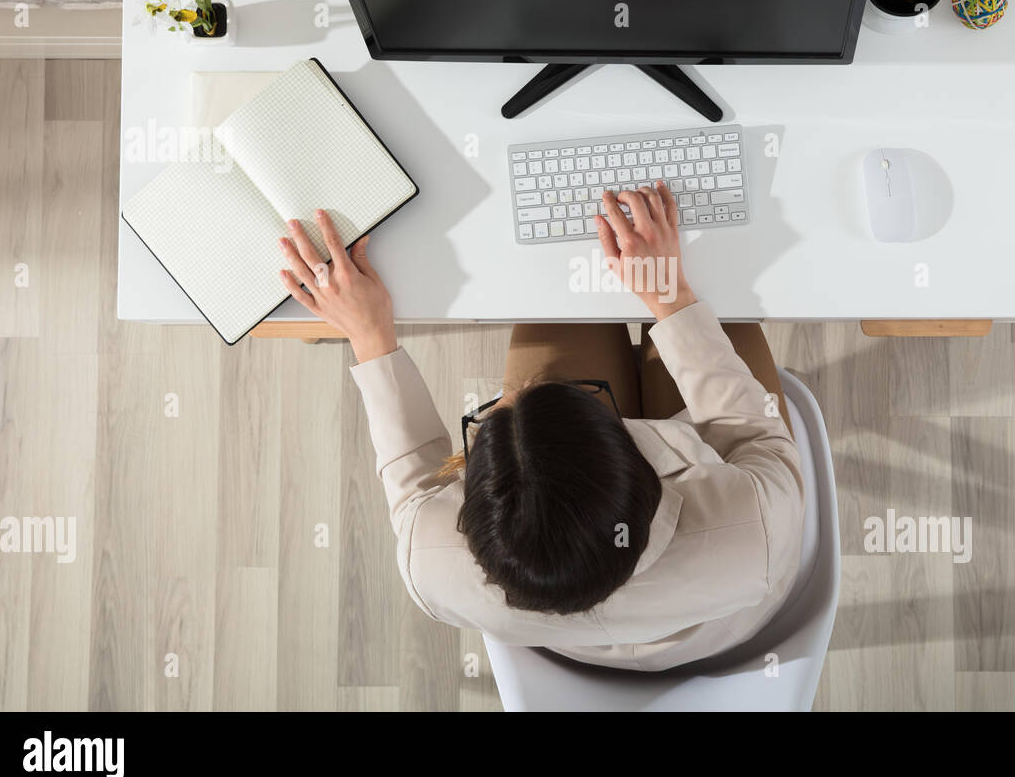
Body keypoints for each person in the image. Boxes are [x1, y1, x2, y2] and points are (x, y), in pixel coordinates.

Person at [278, 182, 802, 671]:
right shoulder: (754, 530)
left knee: (560, 301)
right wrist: (670, 296)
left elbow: (412, 473)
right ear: (636, 460)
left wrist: (368, 333)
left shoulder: (432, 560)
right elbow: (756, 436)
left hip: (587, 634)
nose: (515, 390)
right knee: (721, 301)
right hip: (714, 608)